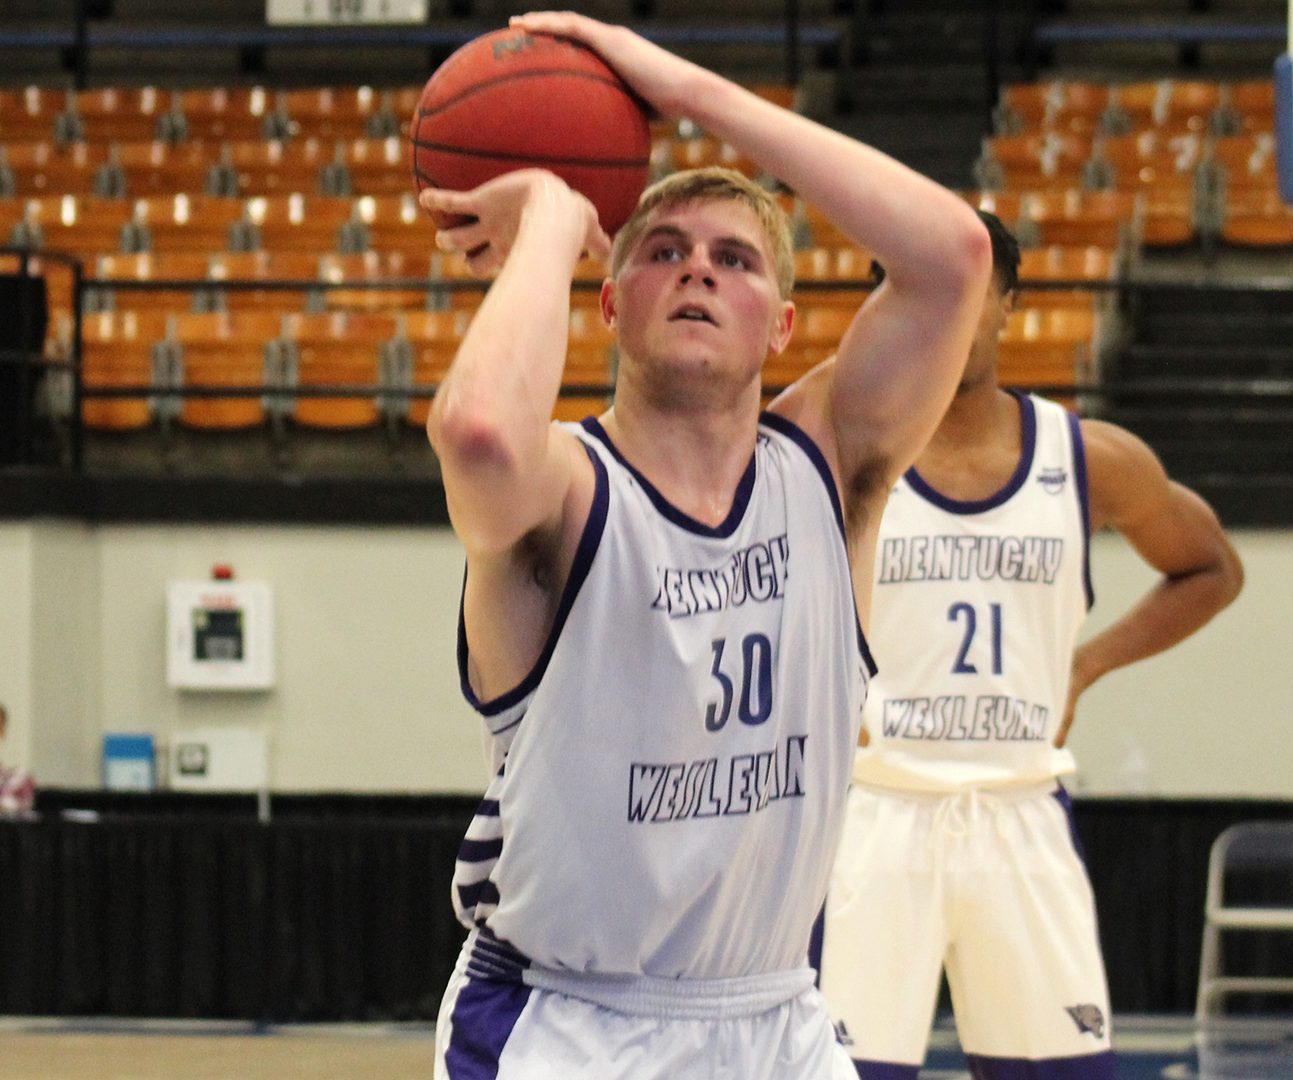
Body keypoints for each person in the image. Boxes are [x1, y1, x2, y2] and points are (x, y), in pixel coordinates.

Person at [417, 12, 991, 1080]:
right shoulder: (567, 490)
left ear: (782, 325)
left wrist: (686, 92)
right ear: (608, 303)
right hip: (569, 1022)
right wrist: (553, 216)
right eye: (664, 253)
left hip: (778, 1017)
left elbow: (954, 256)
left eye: (736, 260)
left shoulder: (831, 465)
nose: (698, 272)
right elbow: (479, 431)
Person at [817, 213, 1244, 1080]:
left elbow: (1212, 569)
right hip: (875, 812)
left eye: (970, 291)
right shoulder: (836, 458)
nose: (947, 312)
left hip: (1020, 810)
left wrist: (1086, 664)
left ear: (1009, 303)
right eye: (919, 292)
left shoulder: (1091, 460)